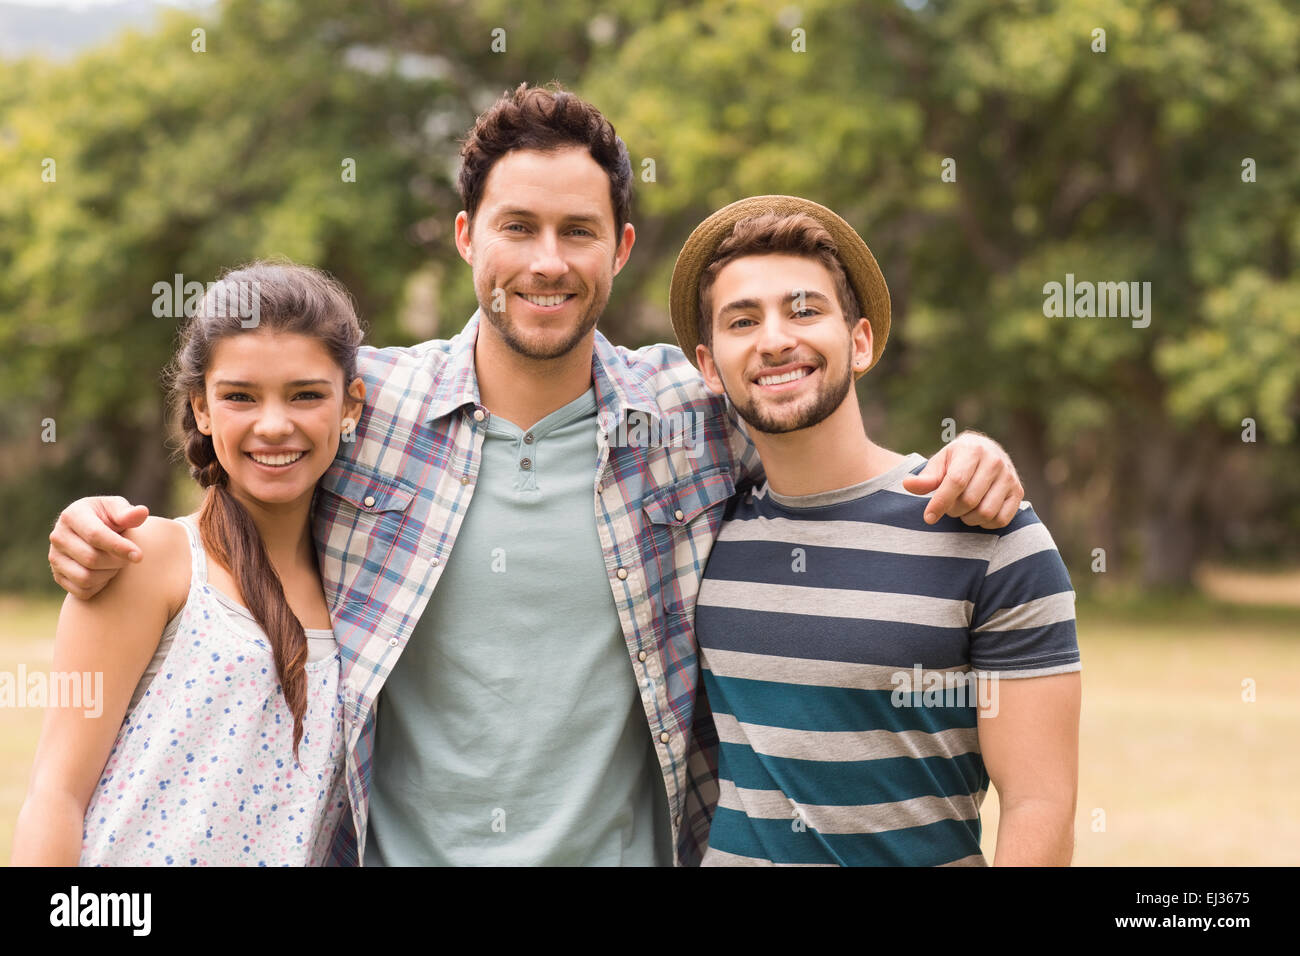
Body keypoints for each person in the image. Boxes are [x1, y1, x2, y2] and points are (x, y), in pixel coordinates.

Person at [44, 84, 1028, 867]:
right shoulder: (369, 406)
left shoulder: (685, 418)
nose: (547, 262)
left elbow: (815, 430)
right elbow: (252, 451)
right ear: (467, 236)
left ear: (621, 248)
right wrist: (95, 522)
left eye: (577, 231)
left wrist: (963, 456)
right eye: (518, 227)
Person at [669, 196, 1081, 866]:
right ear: (711, 366)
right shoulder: (703, 528)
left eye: (803, 309)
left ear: (859, 341)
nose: (775, 338)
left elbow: (1040, 803)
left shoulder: (990, 535)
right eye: (743, 321)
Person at [14, 262, 366, 865]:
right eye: (239, 397)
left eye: (306, 395)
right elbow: (56, 794)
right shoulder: (147, 559)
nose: (274, 425)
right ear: (202, 409)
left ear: (350, 406)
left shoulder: (361, 595)